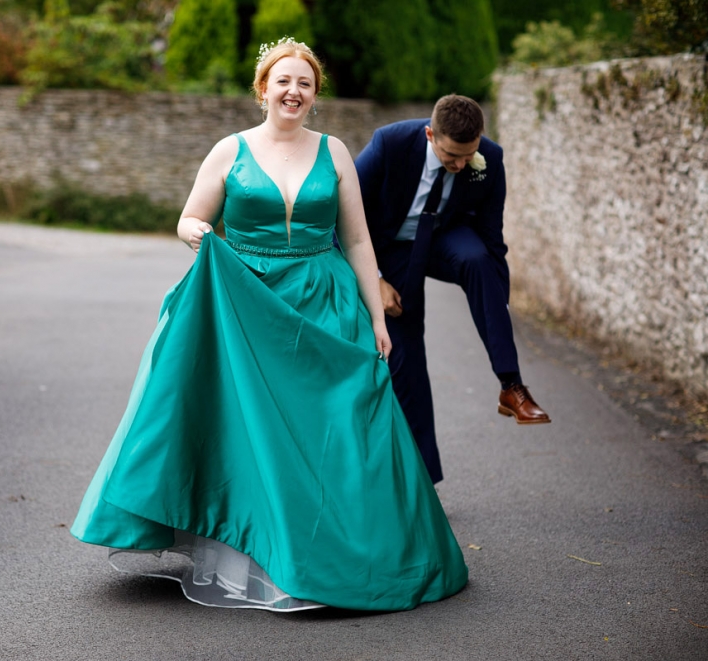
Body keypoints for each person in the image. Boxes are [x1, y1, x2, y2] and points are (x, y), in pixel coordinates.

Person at [70, 38, 467, 612]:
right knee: (255, 435)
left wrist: (377, 318)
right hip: (249, 303)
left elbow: (356, 239)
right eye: (283, 81)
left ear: (314, 94)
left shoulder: (334, 154)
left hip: (324, 302)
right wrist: (197, 236)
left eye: (304, 83)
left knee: (343, 424)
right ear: (263, 89)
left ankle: (351, 557)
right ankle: (263, 555)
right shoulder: (229, 151)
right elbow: (189, 217)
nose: (293, 91)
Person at [354, 95, 551, 486]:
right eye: (451, 156)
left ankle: (511, 386)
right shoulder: (389, 143)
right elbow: (346, 211)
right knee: (406, 354)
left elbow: (493, 237)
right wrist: (374, 279)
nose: (461, 165)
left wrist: (497, 300)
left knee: (479, 261)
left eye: (468, 156)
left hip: (443, 240)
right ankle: (420, 481)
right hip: (388, 248)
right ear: (430, 135)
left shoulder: (490, 159)